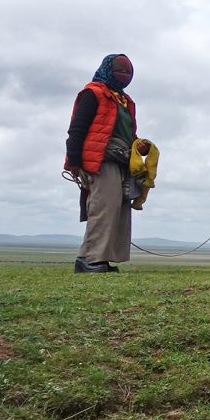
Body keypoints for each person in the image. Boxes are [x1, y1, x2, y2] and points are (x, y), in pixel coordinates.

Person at [64, 53, 146, 274]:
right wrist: (74, 161)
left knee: (118, 209)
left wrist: (139, 145)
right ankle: (90, 259)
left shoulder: (125, 101)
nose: (124, 74)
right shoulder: (92, 93)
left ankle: (101, 258)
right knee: (103, 206)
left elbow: (127, 133)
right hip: (99, 159)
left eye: (128, 72)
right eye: (120, 70)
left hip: (122, 160)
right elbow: (77, 128)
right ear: (108, 69)